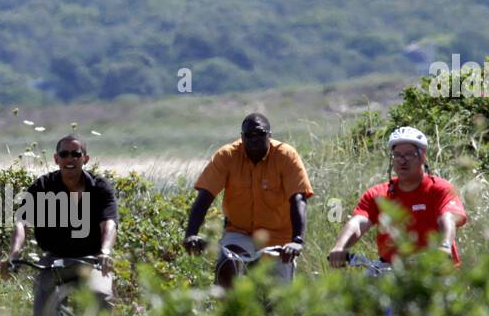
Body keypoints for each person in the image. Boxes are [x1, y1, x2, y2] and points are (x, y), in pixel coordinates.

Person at [1, 135, 118, 316]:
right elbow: (22, 223)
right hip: (54, 260)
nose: (69, 159)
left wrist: (105, 251)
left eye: (76, 154)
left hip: (92, 261)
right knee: (43, 310)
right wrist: (14, 254)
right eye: (64, 154)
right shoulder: (43, 186)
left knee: (101, 295)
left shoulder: (99, 188)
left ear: (85, 159)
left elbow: (109, 222)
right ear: (56, 159)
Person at [182, 113, 314, 287]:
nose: (254, 139)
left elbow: (298, 198)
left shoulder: (286, 156)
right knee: (227, 265)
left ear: (270, 135)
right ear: (241, 137)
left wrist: (297, 241)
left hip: (278, 238)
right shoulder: (227, 156)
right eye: (249, 135)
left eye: (260, 134)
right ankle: (228, 311)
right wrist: (191, 233)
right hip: (239, 233)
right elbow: (205, 197)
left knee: (279, 300)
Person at [327, 126, 469, 268]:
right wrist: (340, 246)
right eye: (397, 155)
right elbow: (358, 223)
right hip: (391, 272)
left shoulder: (439, 188)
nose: (402, 160)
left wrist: (444, 246)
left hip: (435, 269)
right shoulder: (378, 194)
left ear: (422, 157)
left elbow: (447, 219)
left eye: (409, 154)